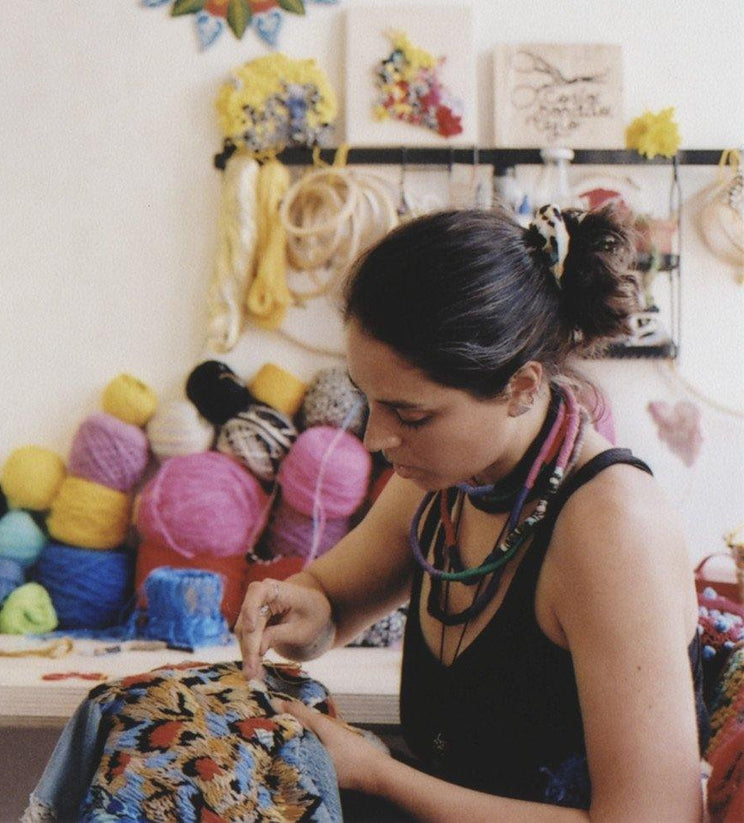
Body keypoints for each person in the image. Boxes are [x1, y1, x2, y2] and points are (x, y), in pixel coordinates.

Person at [236, 206, 705, 820]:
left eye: (411, 415)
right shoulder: (447, 484)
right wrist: (300, 605)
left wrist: (379, 774)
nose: (375, 438)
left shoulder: (612, 528)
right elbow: (331, 601)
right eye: (367, 400)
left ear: (522, 387)